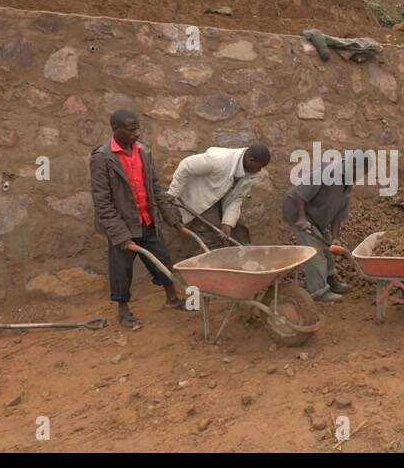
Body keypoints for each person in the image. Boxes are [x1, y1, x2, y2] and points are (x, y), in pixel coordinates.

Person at [89, 110, 184, 328]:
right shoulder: (102, 158)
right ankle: (123, 311)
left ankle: (172, 299)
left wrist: (173, 219)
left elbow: (156, 189)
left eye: (138, 128)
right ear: (116, 130)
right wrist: (122, 236)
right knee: (121, 269)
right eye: (132, 130)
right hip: (122, 226)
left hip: (147, 220)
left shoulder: (143, 153)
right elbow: (102, 203)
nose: (137, 134)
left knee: (162, 259)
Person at [283, 155, 368, 302]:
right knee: (314, 251)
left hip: (317, 216)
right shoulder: (328, 171)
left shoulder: (347, 183)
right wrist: (302, 219)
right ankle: (318, 291)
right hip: (299, 211)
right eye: (361, 173)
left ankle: (331, 281)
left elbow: (337, 216)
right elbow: (300, 194)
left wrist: (335, 238)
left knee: (328, 245)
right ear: (352, 166)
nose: (361, 177)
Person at [166, 144, 270, 251]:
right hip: (199, 196)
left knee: (234, 231)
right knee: (210, 235)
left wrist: (227, 224)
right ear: (250, 160)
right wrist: (174, 193)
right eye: (259, 166)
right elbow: (186, 165)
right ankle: (207, 260)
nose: (260, 170)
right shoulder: (218, 160)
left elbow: (237, 199)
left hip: (218, 198)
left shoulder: (249, 175)